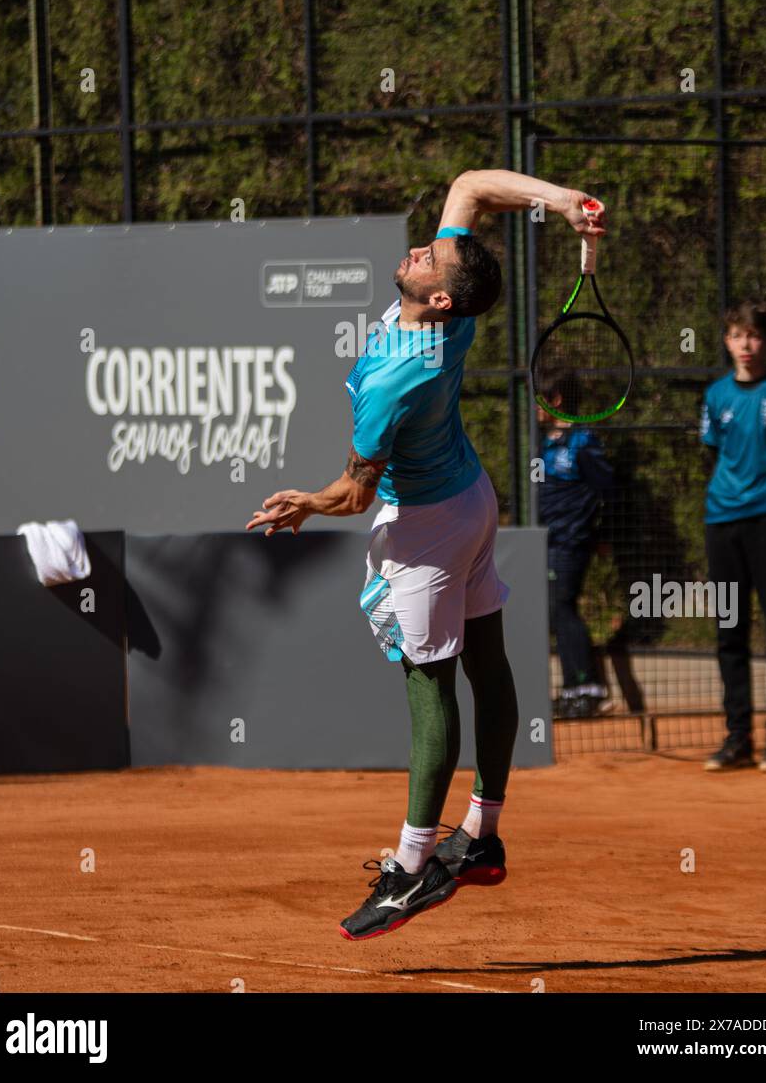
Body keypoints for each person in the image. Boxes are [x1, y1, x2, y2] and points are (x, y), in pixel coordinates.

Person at [247, 169, 606, 938]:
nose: (418, 249)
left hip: (429, 532)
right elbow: (471, 186)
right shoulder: (450, 310)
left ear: (439, 297)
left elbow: (354, 493)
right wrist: (564, 202)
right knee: (488, 663)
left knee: (428, 689)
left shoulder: (393, 379)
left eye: (428, 260)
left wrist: (304, 502)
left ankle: (410, 872)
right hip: (472, 501)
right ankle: (482, 834)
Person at [700, 301, 766, 773]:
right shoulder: (716, 395)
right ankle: (737, 737)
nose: (745, 345)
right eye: (737, 335)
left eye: (755, 335)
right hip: (722, 523)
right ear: (726, 340)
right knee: (729, 634)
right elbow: (714, 453)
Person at [536, 367, 614, 719]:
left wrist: (601, 533)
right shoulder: (539, 442)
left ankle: (588, 688)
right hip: (544, 541)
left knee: (561, 607)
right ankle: (571, 689)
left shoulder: (583, 441)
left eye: (539, 399)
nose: (534, 407)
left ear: (556, 400)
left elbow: (606, 489)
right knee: (556, 610)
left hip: (571, 541)